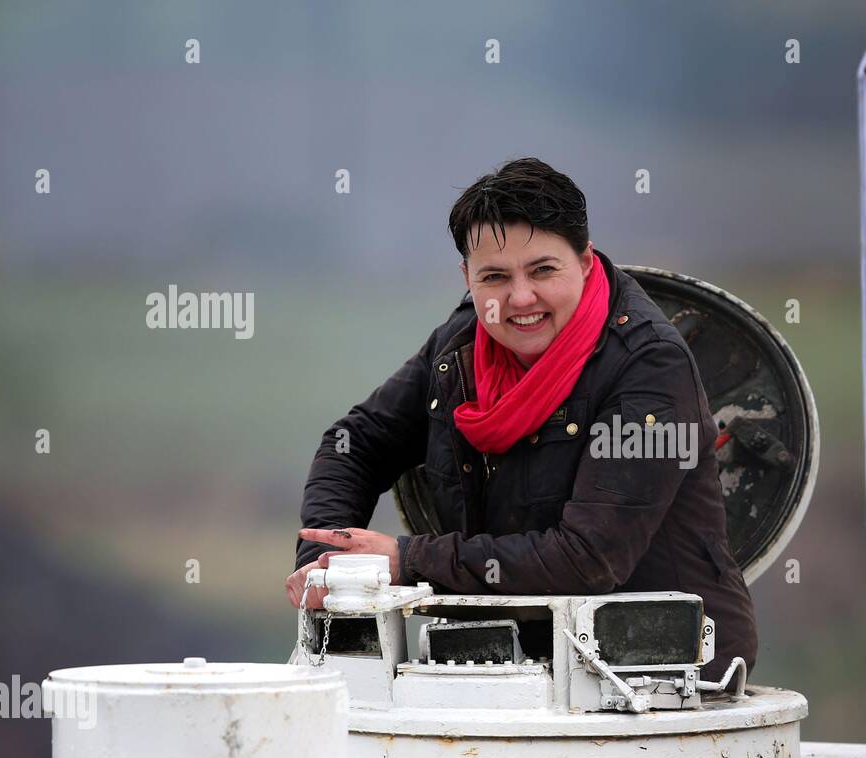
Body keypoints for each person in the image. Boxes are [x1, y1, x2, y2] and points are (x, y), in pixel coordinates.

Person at [287, 157, 757, 681]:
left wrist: (407, 560)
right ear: (467, 278)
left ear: (584, 260)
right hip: (499, 667)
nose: (520, 298)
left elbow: (588, 559)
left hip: (655, 677)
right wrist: (324, 564)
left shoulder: (648, 365)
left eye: (543, 270)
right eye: (495, 277)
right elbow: (356, 442)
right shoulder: (458, 346)